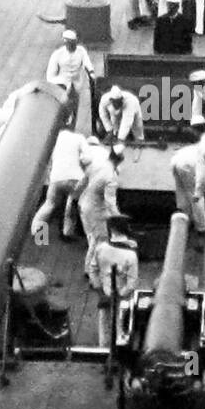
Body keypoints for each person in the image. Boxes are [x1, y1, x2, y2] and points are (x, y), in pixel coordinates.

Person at [75, 142, 124, 284]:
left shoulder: (97, 165)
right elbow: (110, 202)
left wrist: (75, 195)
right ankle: (93, 276)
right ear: (119, 160)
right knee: (100, 241)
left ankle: (87, 269)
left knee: (92, 239)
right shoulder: (111, 177)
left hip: (84, 205)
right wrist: (118, 218)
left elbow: (82, 181)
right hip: (96, 211)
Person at [32, 123, 89, 239]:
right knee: (72, 205)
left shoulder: (52, 139)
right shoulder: (79, 137)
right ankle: (67, 233)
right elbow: (87, 158)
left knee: (49, 205)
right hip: (75, 177)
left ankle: (39, 235)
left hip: (56, 177)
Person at [93, 216, 140, 346]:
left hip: (105, 291)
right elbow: (132, 282)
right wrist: (121, 293)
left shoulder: (101, 248)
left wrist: (99, 289)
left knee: (104, 321)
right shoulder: (130, 255)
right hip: (122, 295)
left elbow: (93, 269)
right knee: (122, 321)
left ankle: (103, 347)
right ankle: (121, 344)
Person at [45, 29, 95, 129]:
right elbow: (50, 75)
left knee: (74, 107)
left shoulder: (81, 51)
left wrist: (91, 72)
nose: (73, 46)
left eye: (74, 43)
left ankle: (72, 127)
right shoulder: (57, 54)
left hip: (76, 83)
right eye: (70, 43)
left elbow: (87, 62)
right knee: (63, 107)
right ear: (66, 42)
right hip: (62, 84)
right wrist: (59, 84)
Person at [171, 118, 205, 233]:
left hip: (179, 157)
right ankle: (202, 228)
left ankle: (184, 222)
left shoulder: (203, 140)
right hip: (191, 160)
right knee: (196, 195)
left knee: (183, 195)